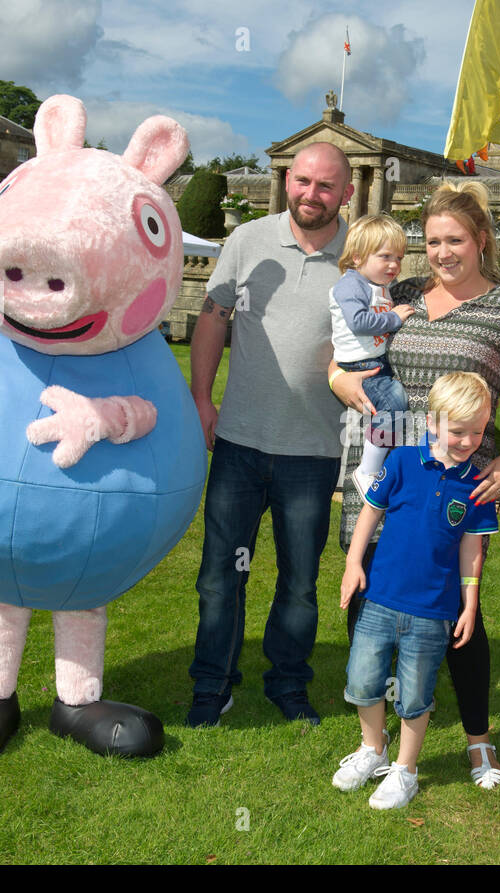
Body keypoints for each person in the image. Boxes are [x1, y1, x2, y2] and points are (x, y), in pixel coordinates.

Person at [330, 180, 500, 788]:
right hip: (389, 472)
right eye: (432, 241)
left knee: (454, 612)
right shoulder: (400, 294)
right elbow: (347, 350)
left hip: (457, 482)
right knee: (369, 596)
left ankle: (479, 741)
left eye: (454, 240)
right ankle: (375, 742)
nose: (443, 252)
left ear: (482, 241)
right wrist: (337, 378)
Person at [186, 141, 355, 728]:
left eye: (326, 185)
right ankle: (212, 685)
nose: (311, 193)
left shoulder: (359, 256)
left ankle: (288, 684)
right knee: (219, 578)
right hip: (239, 441)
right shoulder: (248, 240)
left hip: (314, 452)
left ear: (347, 192)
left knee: (300, 585)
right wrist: (201, 398)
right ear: (288, 179)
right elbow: (213, 316)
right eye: (302, 180)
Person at [335, 372, 498, 809]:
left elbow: (472, 550)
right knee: (363, 681)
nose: (468, 441)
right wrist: (353, 563)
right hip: (380, 599)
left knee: (414, 695)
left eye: (477, 432)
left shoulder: (477, 488)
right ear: (432, 423)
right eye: (458, 431)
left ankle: (405, 771)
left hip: (433, 612)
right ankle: (373, 749)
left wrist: (469, 603)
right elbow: (371, 510)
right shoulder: (403, 461)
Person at [329, 214, 415, 494]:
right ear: (357, 258)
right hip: (359, 365)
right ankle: (367, 470)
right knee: (394, 404)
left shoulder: (376, 286)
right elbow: (359, 322)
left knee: (395, 409)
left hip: (372, 361)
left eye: (399, 258)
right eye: (385, 256)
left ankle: (377, 465)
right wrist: (394, 319)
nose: (395, 265)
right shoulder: (350, 285)